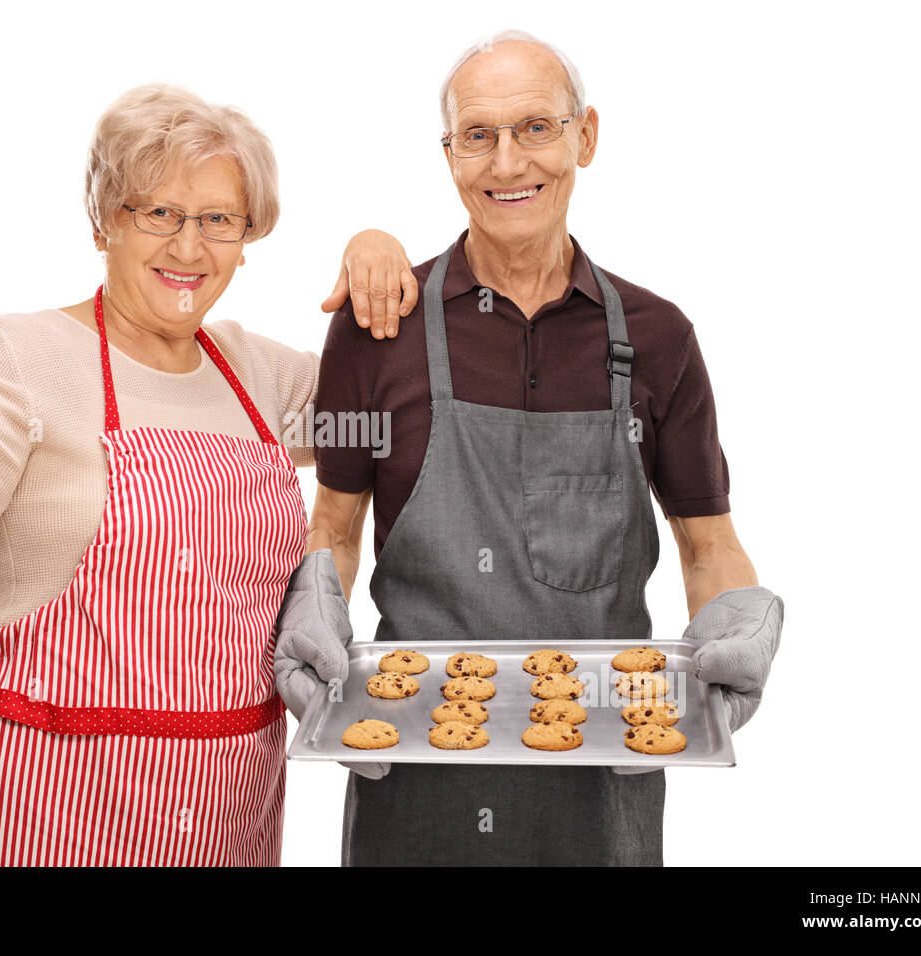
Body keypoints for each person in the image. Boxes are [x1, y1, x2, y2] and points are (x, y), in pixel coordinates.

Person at [0, 83, 414, 866]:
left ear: (247, 238)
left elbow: (391, 421)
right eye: (157, 213)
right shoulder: (24, 356)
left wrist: (377, 251)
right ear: (102, 222)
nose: (189, 248)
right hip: (39, 804)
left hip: (224, 808)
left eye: (218, 220)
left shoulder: (262, 377)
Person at [273, 31, 784, 866]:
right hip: (411, 772)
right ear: (449, 156)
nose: (507, 162)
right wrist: (314, 617)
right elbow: (333, 522)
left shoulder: (660, 338)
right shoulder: (374, 334)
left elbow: (708, 541)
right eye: (478, 135)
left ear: (585, 136)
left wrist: (733, 623)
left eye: (536, 128)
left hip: (607, 777)